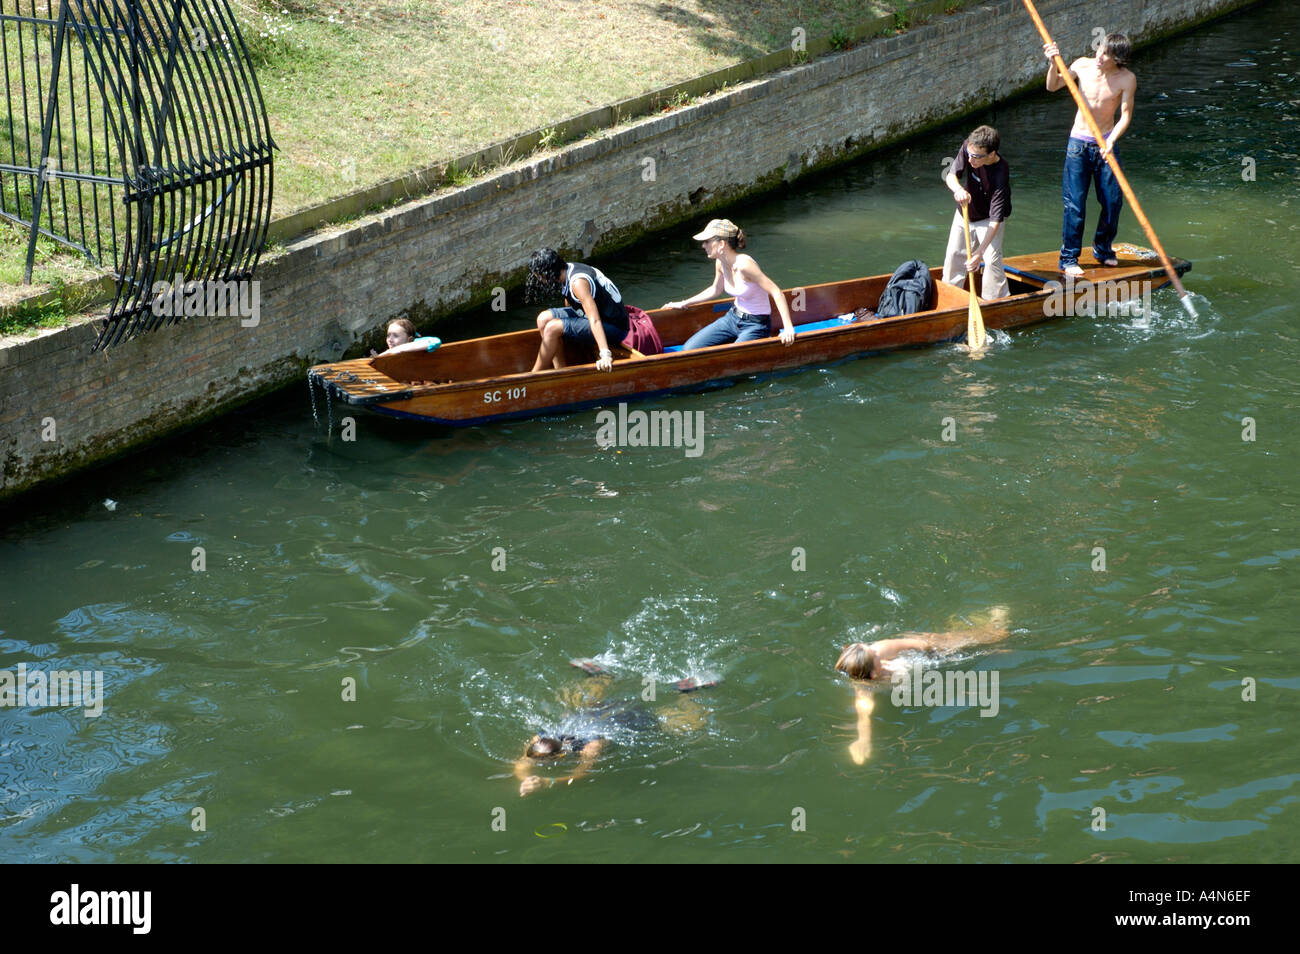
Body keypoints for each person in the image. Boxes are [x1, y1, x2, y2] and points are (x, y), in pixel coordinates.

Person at [514, 659, 718, 797]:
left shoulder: (592, 746)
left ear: (560, 757)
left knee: (682, 726)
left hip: (630, 717)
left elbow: (582, 774)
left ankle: (689, 692)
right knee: (580, 705)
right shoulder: (542, 737)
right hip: (602, 709)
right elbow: (521, 764)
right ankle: (602, 675)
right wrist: (526, 780)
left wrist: (548, 782)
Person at [834, 607, 1010, 764]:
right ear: (873, 674)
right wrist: (863, 740)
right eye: (872, 652)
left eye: (869, 647)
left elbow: (919, 645)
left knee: (996, 636)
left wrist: (947, 648)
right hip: (921, 669)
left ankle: (997, 616)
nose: (874, 648)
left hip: (928, 649)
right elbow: (864, 713)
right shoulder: (865, 687)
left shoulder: (883, 648)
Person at [1044, 33, 1136, 276]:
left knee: (1112, 201)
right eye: (1099, 50)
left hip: (1106, 143)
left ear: (1117, 59)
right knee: (1075, 204)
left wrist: (1111, 140)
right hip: (1078, 145)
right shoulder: (1082, 65)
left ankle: (1103, 248)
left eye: (1105, 54)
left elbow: (1125, 116)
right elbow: (1052, 86)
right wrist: (1054, 63)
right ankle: (1068, 258)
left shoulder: (1126, 79)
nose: (1099, 56)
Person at [662, 219, 796, 350]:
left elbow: (776, 292)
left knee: (733, 356)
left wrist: (788, 328)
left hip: (756, 324)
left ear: (721, 244)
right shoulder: (720, 262)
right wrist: (683, 303)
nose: (703, 246)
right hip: (732, 318)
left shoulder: (744, 265)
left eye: (707, 242)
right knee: (689, 349)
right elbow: (715, 289)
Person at [526, 248, 628, 373]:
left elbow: (594, 319)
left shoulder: (578, 283)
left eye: (539, 276)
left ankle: (533, 375)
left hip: (615, 327)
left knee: (552, 328)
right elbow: (571, 300)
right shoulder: (567, 269)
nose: (539, 280)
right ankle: (561, 371)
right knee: (543, 319)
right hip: (594, 317)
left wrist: (605, 354)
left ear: (546, 273)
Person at [941, 125, 1011, 300]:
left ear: (992, 154)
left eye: (977, 157)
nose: (971, 160)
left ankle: (995, 302)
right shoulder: (969, 146)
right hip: (965, 212)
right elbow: (950, 175)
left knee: (991, 262)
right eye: (970, 155)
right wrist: (958, 190)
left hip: (989, 219)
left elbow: (995, 220)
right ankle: (950, 299)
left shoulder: (1000, 172)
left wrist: (979, 253)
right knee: (954, 257)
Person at [369, 318, 440, 357]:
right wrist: (379, 360)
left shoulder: (417, 342)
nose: (390, 340)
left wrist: (394, 350)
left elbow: (436, 341)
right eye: (388, 335)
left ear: (410, 340)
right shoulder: (390, 352)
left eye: (395, 336)